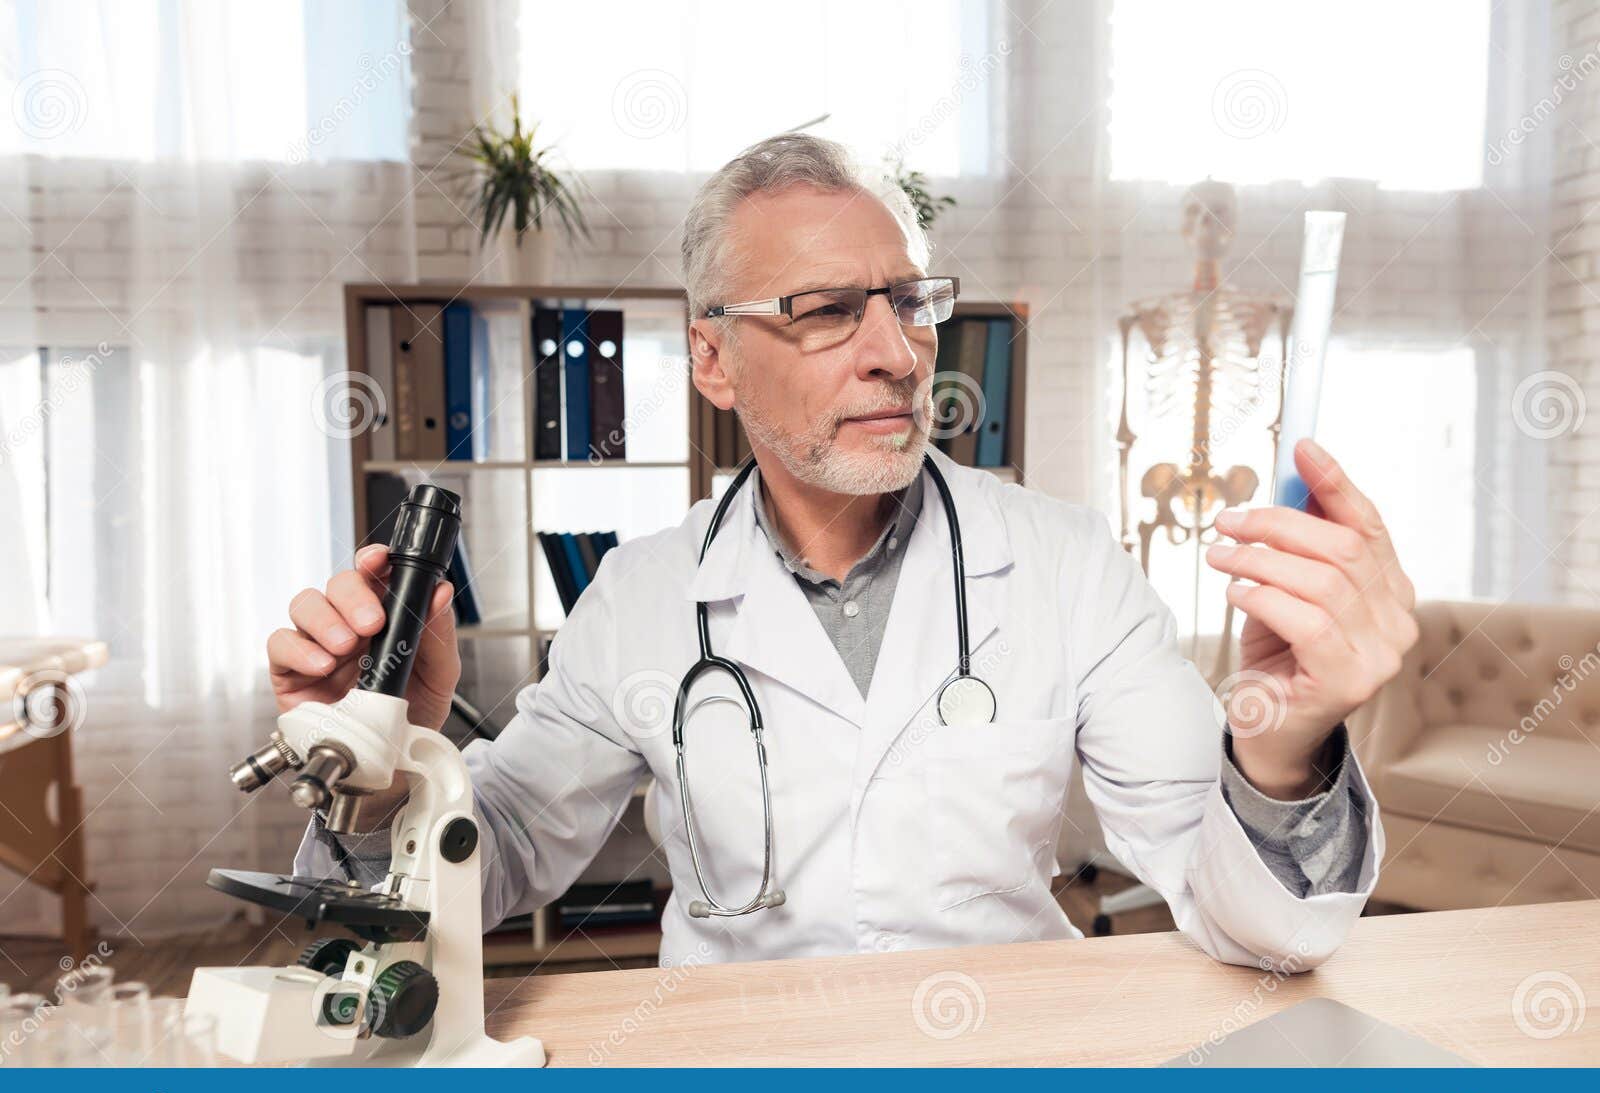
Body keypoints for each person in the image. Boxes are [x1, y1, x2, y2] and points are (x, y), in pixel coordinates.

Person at [278, 134, 1417, 970]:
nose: (896, 352)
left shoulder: (1065, 562)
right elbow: (488, 867)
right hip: (741, 1075)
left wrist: (1283, 740)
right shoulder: (639, 596)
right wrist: (386, 758)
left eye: (908, 301)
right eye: (825, 308)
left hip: (1009, 1064)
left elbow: (1245, 915)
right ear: (713, 362)